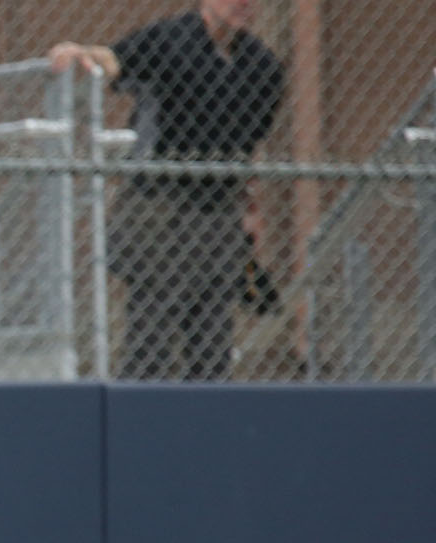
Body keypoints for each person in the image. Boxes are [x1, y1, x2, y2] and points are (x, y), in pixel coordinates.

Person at [49, 0, 284, 380]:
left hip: (219, 209)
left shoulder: (262, 67)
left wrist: (250, 213)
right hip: (160, 204)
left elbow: (248, 149)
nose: (245, 3)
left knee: (212, 338)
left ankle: (205, 424)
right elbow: (115, 60)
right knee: (153, 334)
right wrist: (81, 53)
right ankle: (138, 420)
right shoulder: (170, 39)